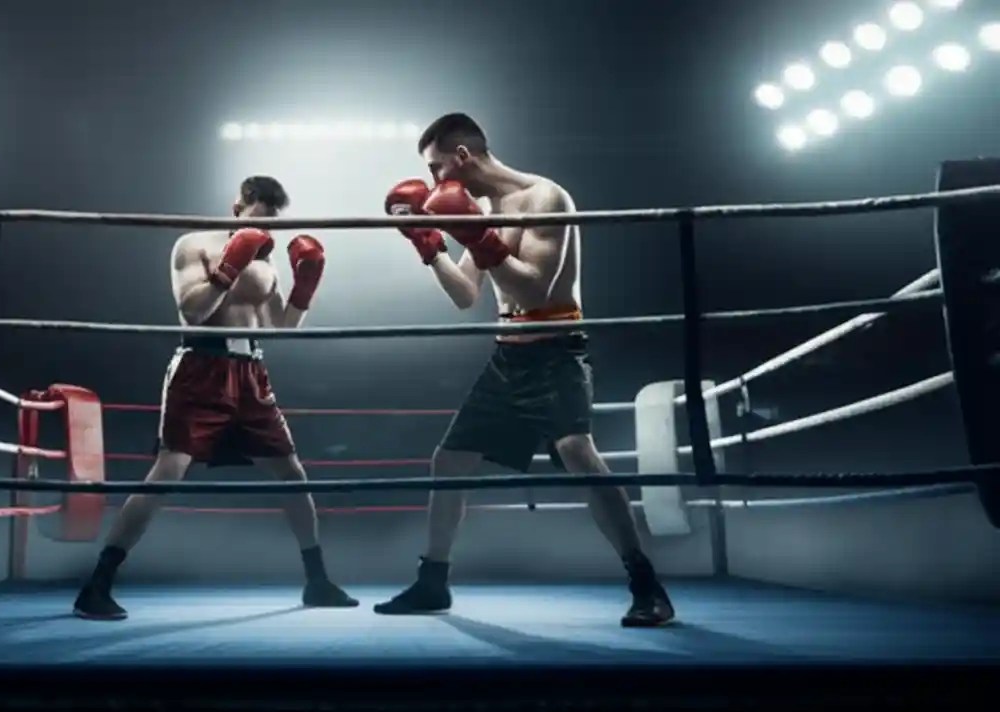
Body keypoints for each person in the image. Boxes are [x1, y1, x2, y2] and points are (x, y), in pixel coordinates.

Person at [374, 113, 675, 627]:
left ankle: (647, 585)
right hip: (508, 354)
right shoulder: (482, 209)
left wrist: (477, 237)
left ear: (463, 156)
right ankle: (433, 582)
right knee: (448, 461)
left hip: (557, 349)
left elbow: (535, 288)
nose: (432, 182)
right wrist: (429, 246)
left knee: (579, 454)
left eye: (437, 167)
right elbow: (467, 296)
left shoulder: (545, 199)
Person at [73, 175, 358, 620]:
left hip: (252, 373)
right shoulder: (194, 244)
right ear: (239, 207)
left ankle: (317, 581)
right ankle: (97, 585)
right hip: (201, 368)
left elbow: (281, 327)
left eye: (274, 227)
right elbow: (193, 310)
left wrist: (306, 284)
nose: (268, 235)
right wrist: (229, 265)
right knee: (166, 474)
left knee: (293, 475)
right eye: (261, 222)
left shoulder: (267, 262)